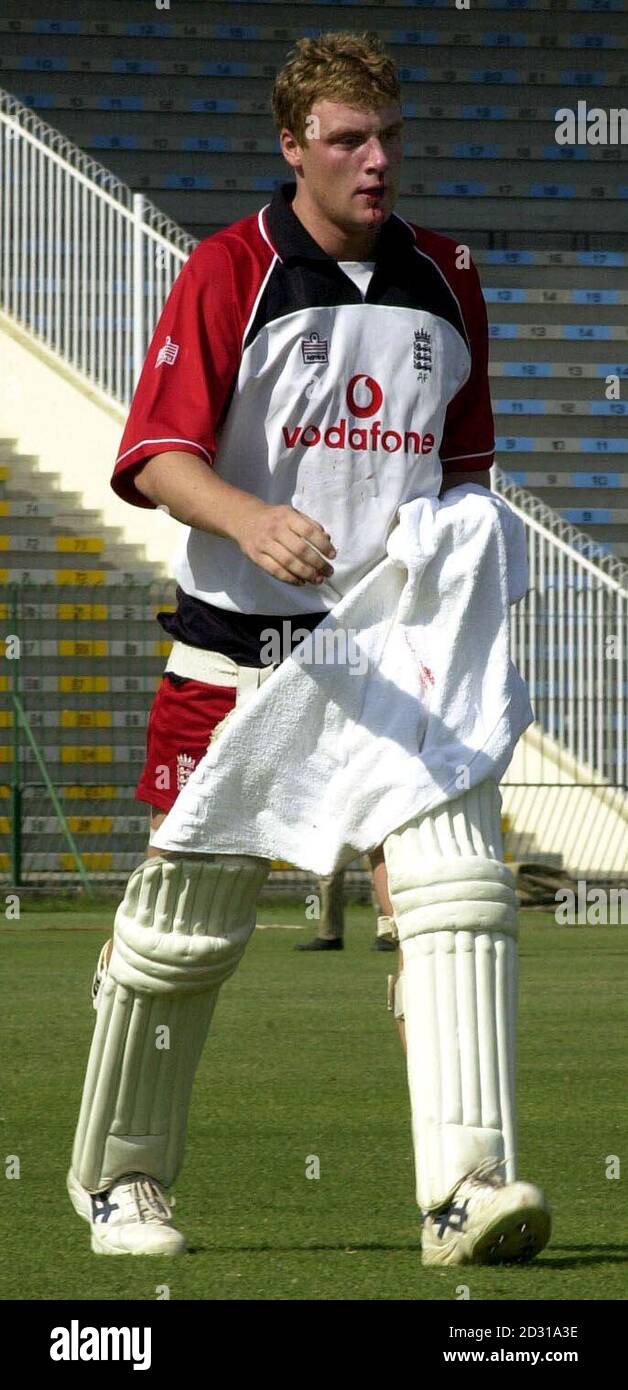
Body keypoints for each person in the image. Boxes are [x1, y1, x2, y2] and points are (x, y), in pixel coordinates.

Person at [67, 31, 550, 1266]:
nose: (376, 161)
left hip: (392, 660)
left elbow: (464, 470)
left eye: (387, 136)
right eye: (347, 140)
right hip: (239, 651)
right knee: (182, 937)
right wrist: (250, 516)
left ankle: (466, 1186)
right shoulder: (230, 268)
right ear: (294, 148)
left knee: (456, 898)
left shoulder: (447, 273)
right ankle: (121, 1184)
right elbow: (155, 454)